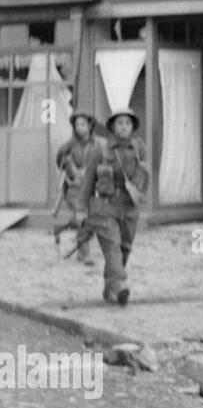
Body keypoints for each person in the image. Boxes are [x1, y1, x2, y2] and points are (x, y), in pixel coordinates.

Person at [75, 107, 150, 305]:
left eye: (127, 123)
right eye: (120, 123)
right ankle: (120, 285)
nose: (124, 127)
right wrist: (81, 209)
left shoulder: (139, 149)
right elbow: (88, 180)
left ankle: (111, 288)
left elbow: (145, 178)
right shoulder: (101, 150)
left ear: (132, 127)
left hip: (129, 208)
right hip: (104, 207)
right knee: (112, 247)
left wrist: (140, 193)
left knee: (124, 248)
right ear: (112, 127)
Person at [53, 108, 98, 264]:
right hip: (74, 189)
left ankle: (63, 229)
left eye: (83, 124)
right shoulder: (69, 145)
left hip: (92, 189)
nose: (80, 127)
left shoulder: (97, 145)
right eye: (77, 124)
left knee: (90, 219)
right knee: (82, 217)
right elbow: (60, 159)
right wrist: (69, 166)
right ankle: (85, 254)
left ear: (90, 126)